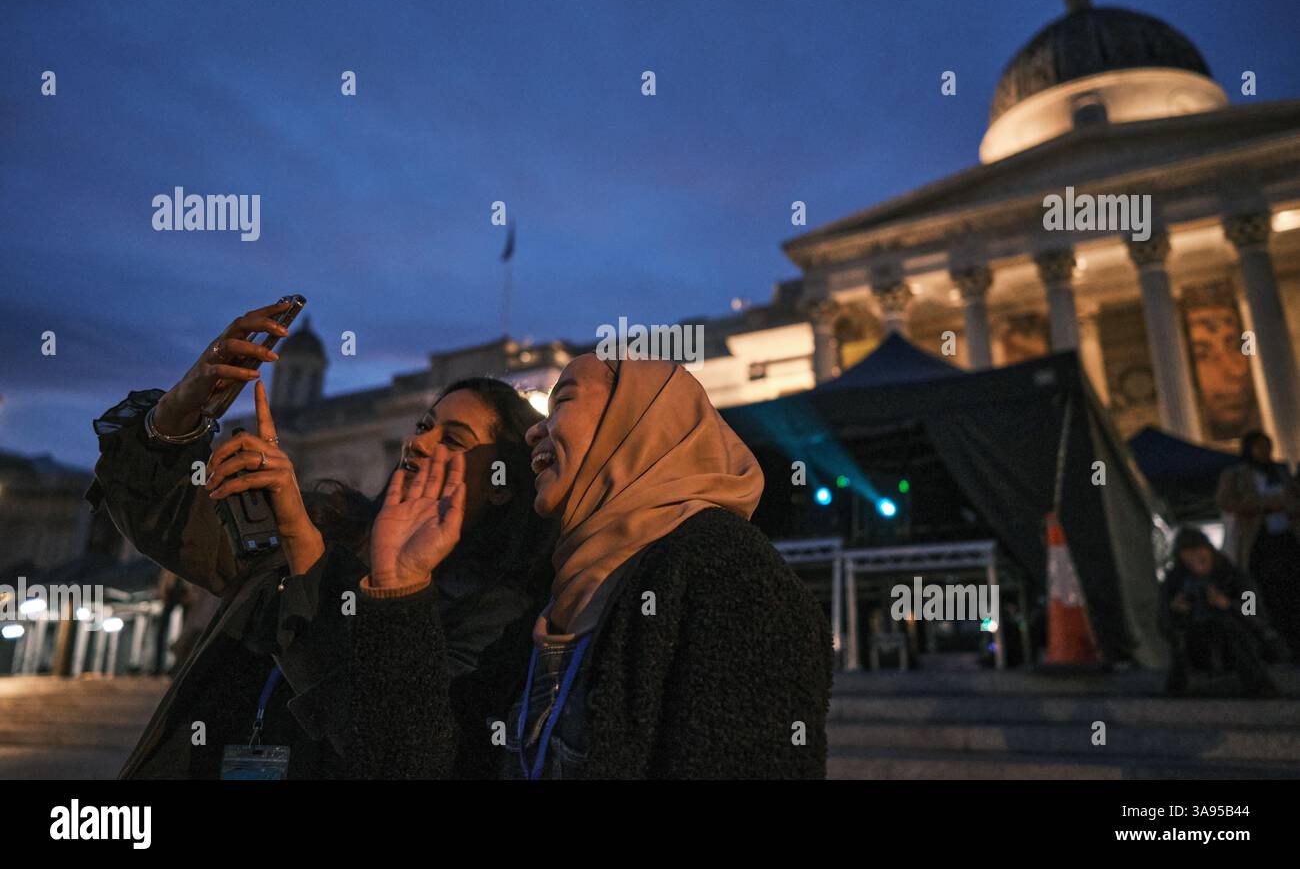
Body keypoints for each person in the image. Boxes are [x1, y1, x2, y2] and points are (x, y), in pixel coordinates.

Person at [89, 302, 551, 778]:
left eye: (453, 440)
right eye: (422, 427)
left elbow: (400, 745)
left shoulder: (497, 615)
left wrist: (302, 541)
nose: (417, 444)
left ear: (501, 483)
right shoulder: (330, 522)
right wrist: (179, 411)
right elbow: (168, 520)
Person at [349, 353, 833, 779]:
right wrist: (400, 583)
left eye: (562, 402)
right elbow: (427, 763)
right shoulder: (552, 607)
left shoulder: (728, 573)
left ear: (639, 425)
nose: (535, 429)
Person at [1159, 528, 1278, 697]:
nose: (1197, 565)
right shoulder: (1176, 581)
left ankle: (1259, 684)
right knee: (1182, 638)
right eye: (1189, 561)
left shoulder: (1236, 576)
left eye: (1200, 558)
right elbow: (1164, 622)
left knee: (1231, 629)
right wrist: (1177, 611)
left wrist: (1227, 605)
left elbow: (1254, 613)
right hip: (1197, 640)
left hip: (1236, 638)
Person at [1215, 430, 1300, 660]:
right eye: (1259, 447)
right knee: (1257, 594)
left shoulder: (1281, 471)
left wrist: (1288, 506)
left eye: (1267, 446)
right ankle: (1266, 646)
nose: (1264, 451)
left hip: (1286, 541)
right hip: (1257, 546)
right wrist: (1263, 505)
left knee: (1291, 593)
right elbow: (1226, 502)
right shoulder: (1236, 475)